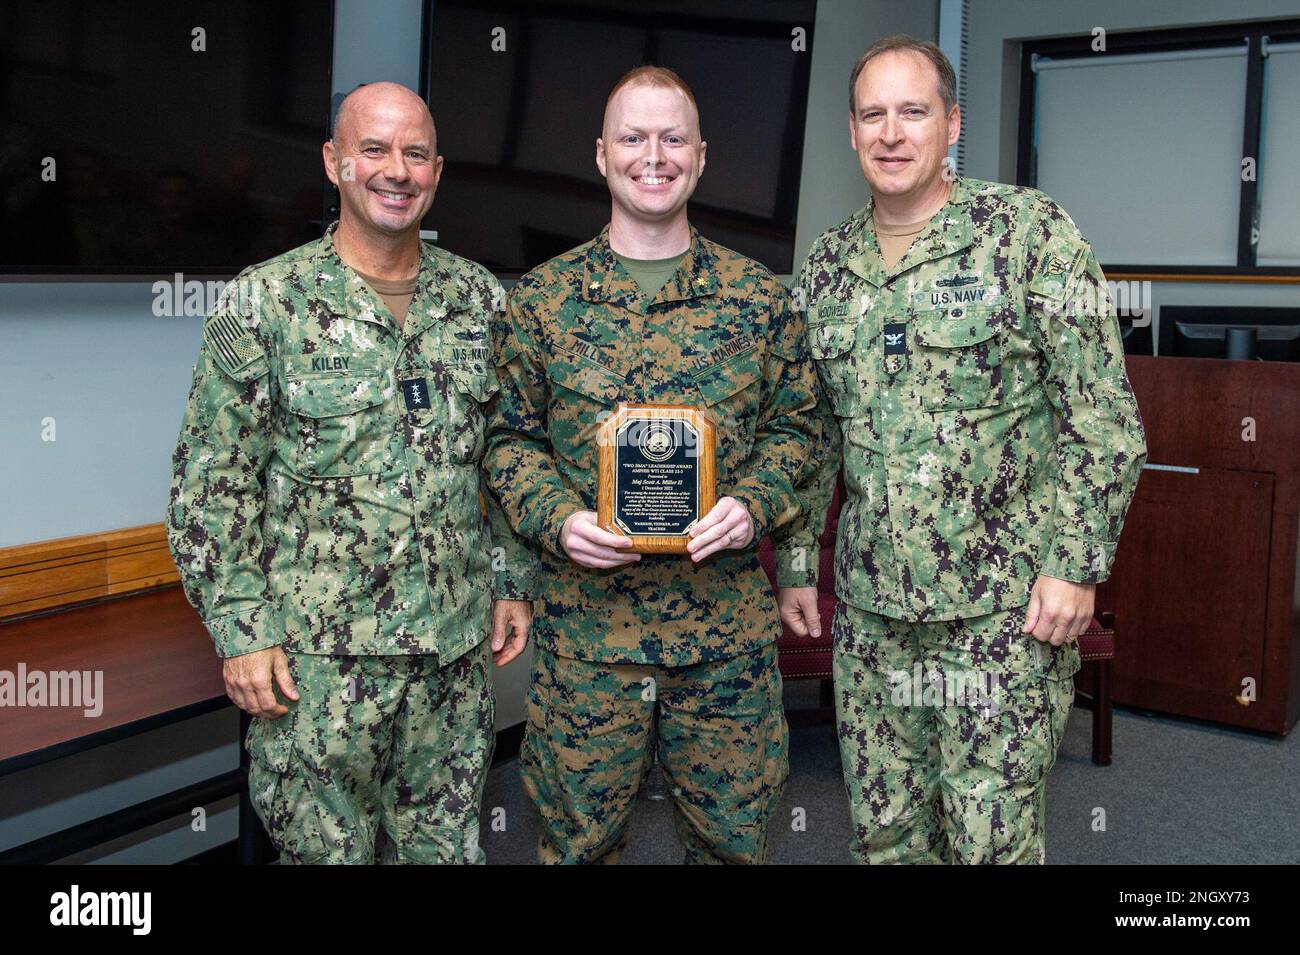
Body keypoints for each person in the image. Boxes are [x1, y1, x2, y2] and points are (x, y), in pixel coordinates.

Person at [779, 36, 1147, 864]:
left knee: (990, 844)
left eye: (914, 111)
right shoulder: (829, 267)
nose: (893, 132)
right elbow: (814, 434)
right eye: (874, 114)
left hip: (1003, 615)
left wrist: (1077, 563)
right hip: (873, 617)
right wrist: (800, 562)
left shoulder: (1027, 234)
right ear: (851, 131)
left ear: (952, 123)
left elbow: (1104, 418)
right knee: (886, 839)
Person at [167, 82, 534, 864]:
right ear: (335, 162)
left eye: (414, 153)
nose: (395, 170)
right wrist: (243, 631)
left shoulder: (476, 300)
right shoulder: (265, 303)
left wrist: (510, 578)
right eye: (374, 149)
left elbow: (501, 458)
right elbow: (211, 486)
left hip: (451, 661)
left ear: (437, 170)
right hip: (318, 675)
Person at [483, 66, 822, 864]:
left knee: (735, 845)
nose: (653, 155)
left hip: (724, 642)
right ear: (601, 155)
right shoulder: (541, 302)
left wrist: (754, 500)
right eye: (633, 137)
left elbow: (799, 431)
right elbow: (507, 440)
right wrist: (557, 519)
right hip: (588, 640)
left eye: (673, 138)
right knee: (578, 847)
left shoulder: (759, 300)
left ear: (701, 157)